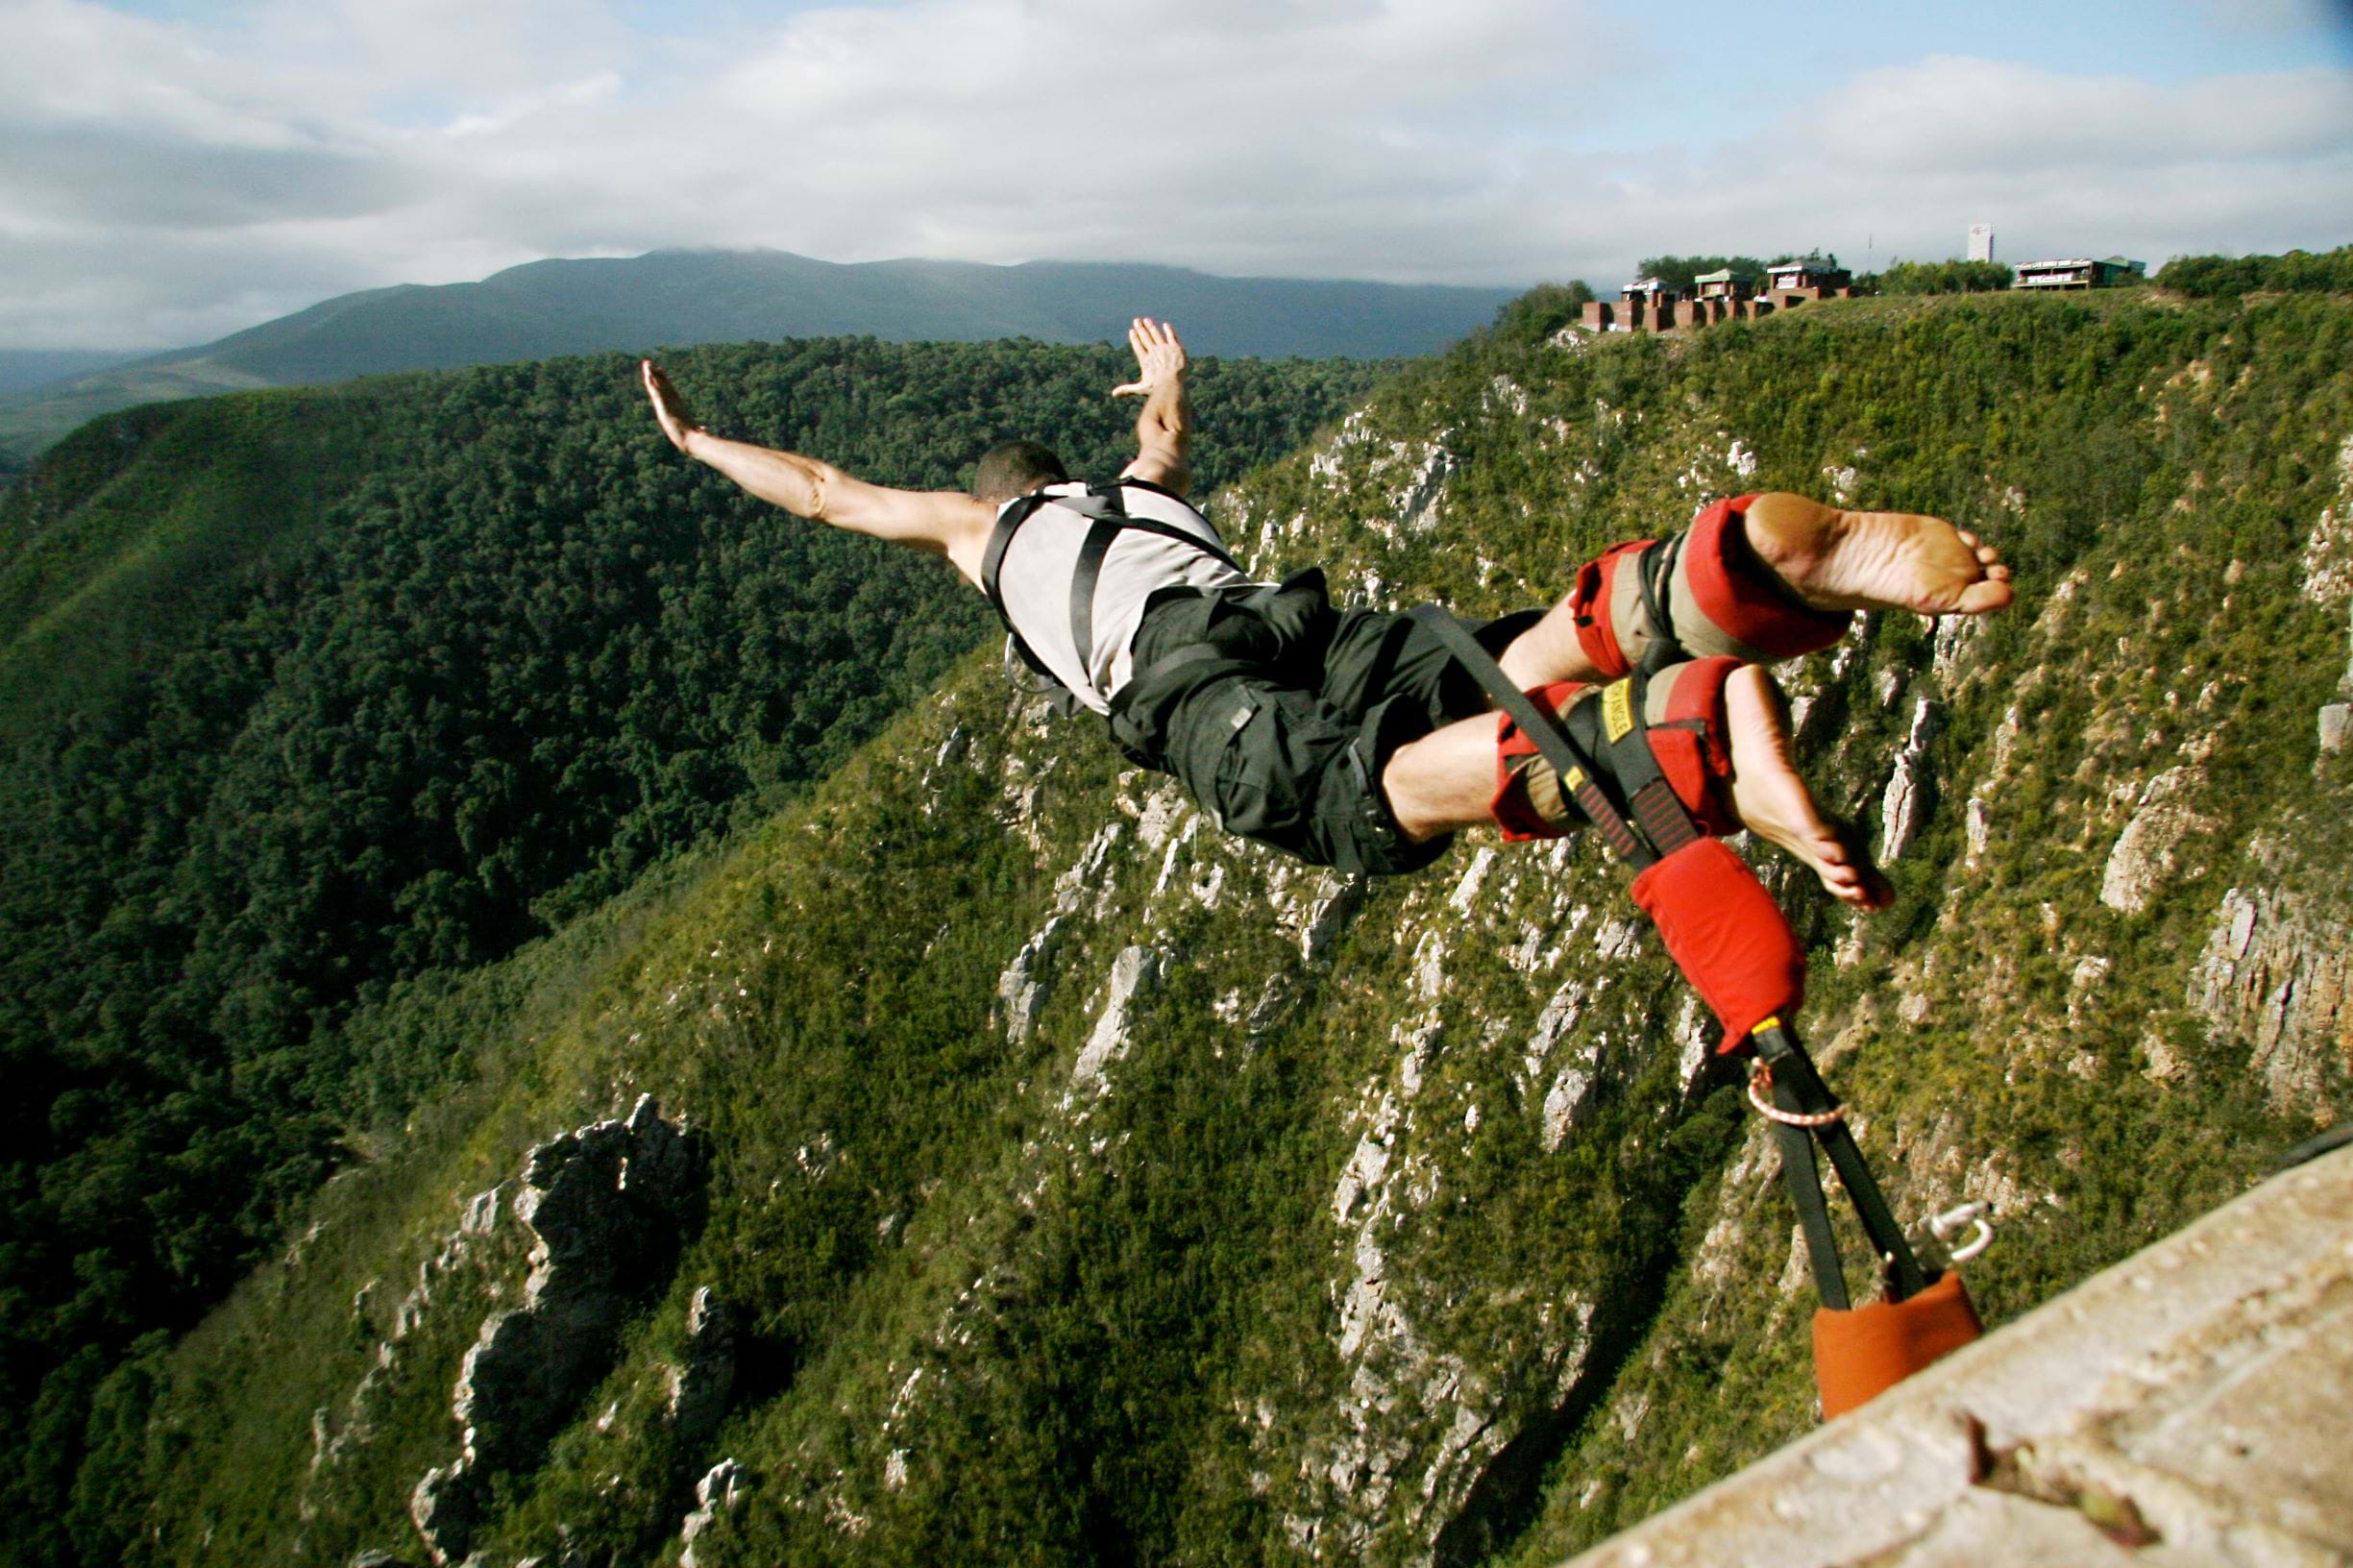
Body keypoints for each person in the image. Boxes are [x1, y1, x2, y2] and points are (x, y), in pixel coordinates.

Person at [641, 319, 2010, 899]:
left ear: (993, 503)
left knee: (1360, 796)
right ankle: (1703, 578)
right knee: (1500, 656)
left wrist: (702, 447)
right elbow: (1166, 430)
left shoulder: (981, 534)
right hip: (1276, 611)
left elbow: (826, 492)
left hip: (1183, 677)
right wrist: (1164, 374)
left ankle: (1674, 741)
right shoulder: (1141, 488)